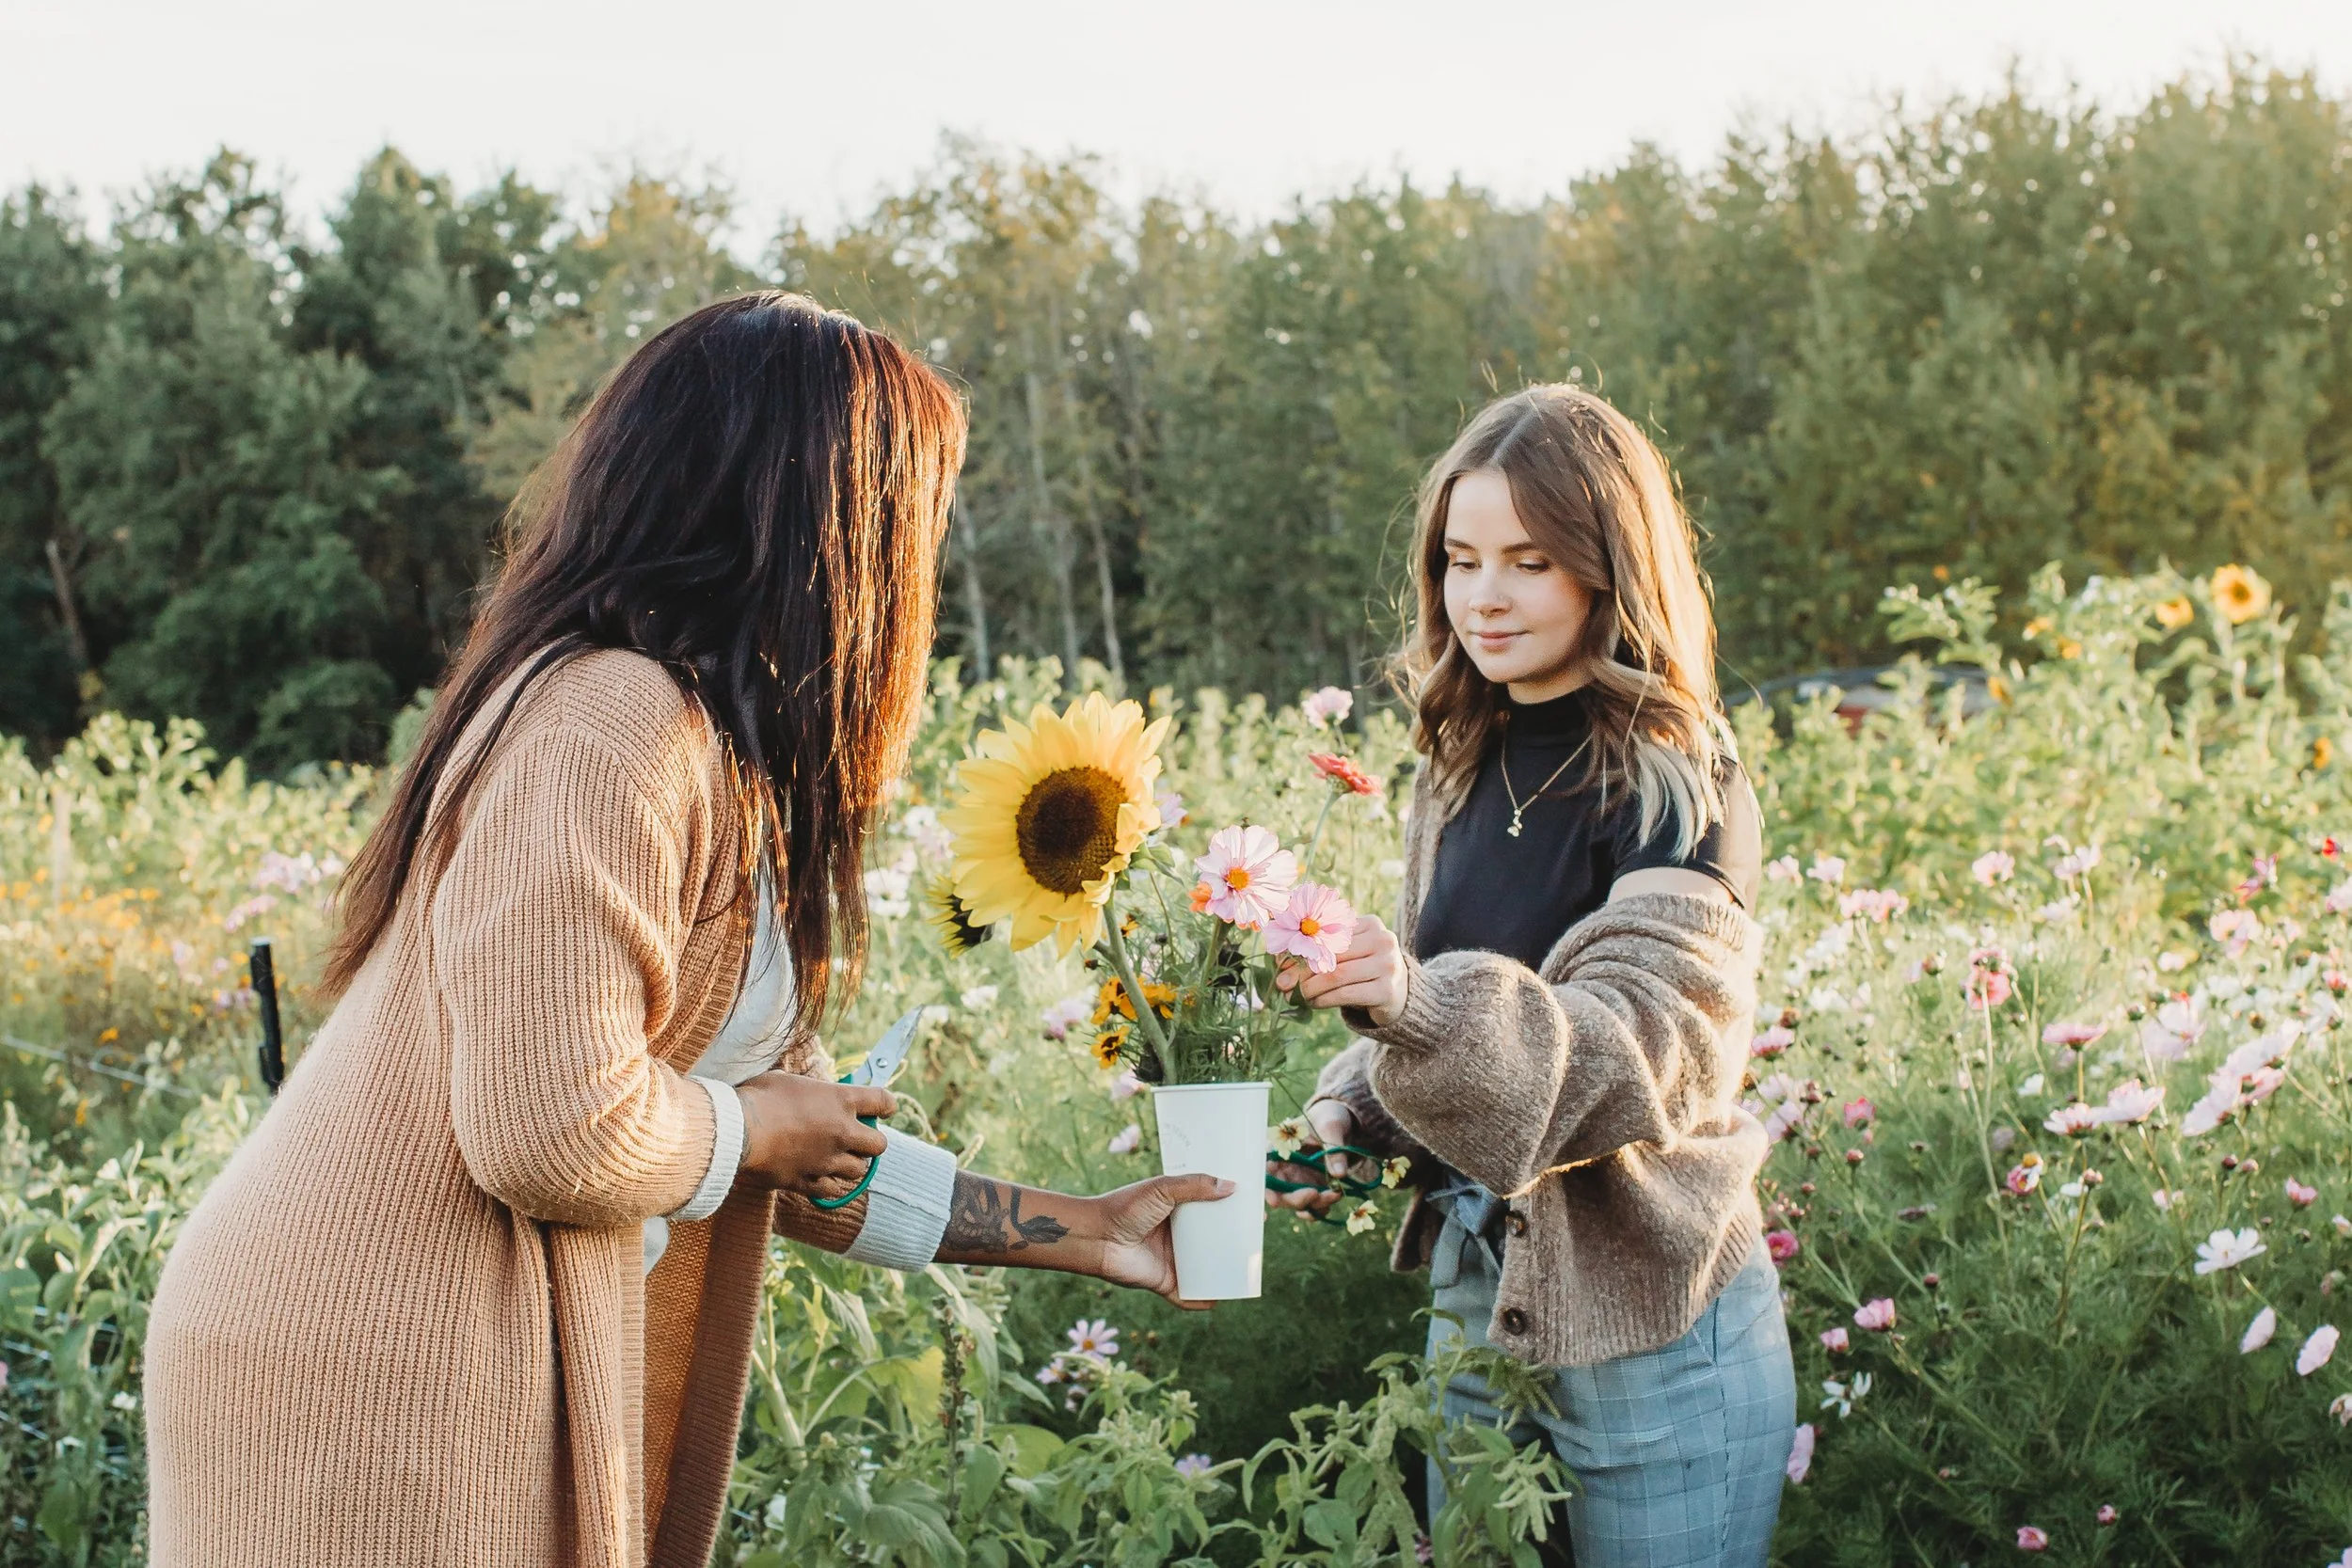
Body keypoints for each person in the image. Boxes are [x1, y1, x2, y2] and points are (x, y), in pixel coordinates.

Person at [143, 293, 1229, 1568]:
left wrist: (1080, 1224)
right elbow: (557, 1126)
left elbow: (791, 1133)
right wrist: (755, 1126)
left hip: (437, 1346)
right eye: (917, 520)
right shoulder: (613, 720)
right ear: (823, 522)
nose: (923, 566)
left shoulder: (718, 750)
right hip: (381, 1361)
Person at [1273, 384, 1795, 1566]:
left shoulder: (1679, 781)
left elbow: (1642, 1055)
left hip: (1652, 1334)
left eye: (1528, 559)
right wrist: (1348, 1110)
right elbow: (1447, 1012)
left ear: (1609, 568)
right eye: (1460, 560)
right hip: (1474, 1308)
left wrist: (1406, 998)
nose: (1484, 595)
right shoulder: (1459, 768)